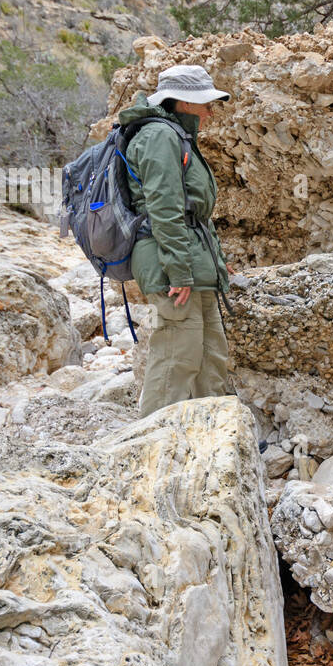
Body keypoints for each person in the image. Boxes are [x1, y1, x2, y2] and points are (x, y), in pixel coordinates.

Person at [118, 64, 234, 417]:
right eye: (205, 103)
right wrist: (179, 272)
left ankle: (214, 433)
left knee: (210, 349)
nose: (211, 111)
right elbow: (164, 208)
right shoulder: (160, 138)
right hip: (167, 259)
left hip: (191, 256)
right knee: (177, 352)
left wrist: (214, 260)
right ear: (183, 103)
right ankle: (153, 438)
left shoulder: (178, 136)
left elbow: (194, 212)